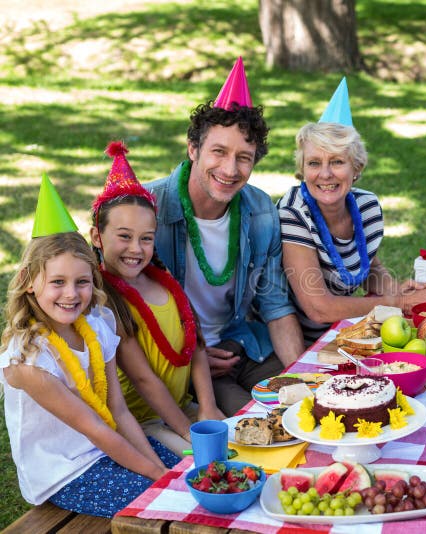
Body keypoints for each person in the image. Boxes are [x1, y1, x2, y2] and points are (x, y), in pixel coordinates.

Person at [0, 178, 178, 518]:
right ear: (29, 282)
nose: (71, 295)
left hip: (108, 445)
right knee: (160, 505)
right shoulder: (29, 360)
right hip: (65, 472)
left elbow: (117, 410)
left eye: (81, 282)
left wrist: (161, 471)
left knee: (185, 475)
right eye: (57, 282)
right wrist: (158, 479)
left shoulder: (97, 323)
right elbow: (93, 428)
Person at [145, 58, 304, 416]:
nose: (231, 170)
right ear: (193, 148)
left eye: (244, 158)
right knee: (259, 421)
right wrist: (188, 360)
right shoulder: (146, 210)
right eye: (219, 152)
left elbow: (275, 305)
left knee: (307, 405)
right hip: (173, 359)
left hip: (241, 345)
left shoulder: (261, 210)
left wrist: (304, 377)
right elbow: (123, 314)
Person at [90, 141, 225, 455]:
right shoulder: (104, 301)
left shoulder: (166, 286)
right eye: (124, 236)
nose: (136, 249)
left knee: (236, 447)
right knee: (196, 465)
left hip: (185, 408)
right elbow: (143, 379)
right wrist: (190, 433)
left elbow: (197, 346)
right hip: (141, 422)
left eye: (146, 239)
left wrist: (207, 408)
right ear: (97, 236)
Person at [277, 80, 426, 344]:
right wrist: (397, 302)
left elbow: (369, 268)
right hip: (296, 341)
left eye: (337, 161)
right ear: (302, 169)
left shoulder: (367, 207)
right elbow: (319, 308)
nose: (325, 174)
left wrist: (398, 290)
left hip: (346, 331)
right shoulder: (293, 213)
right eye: (314, 163)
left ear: (356, 167)